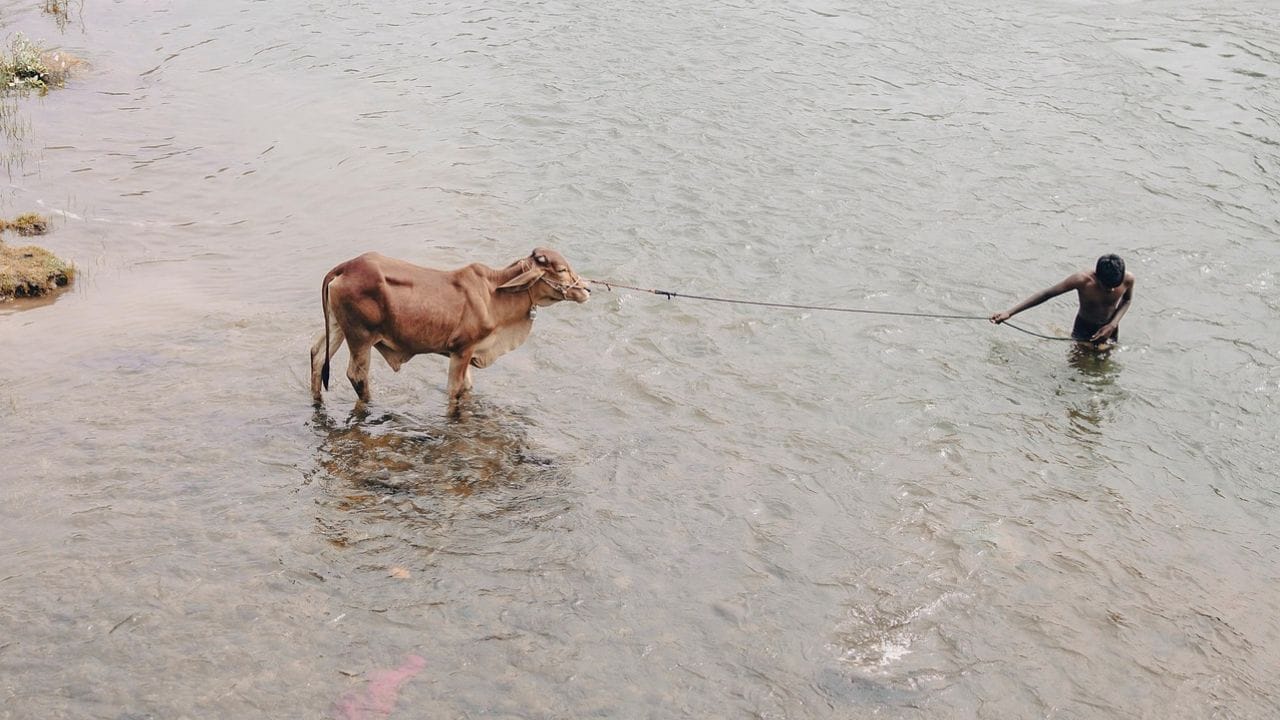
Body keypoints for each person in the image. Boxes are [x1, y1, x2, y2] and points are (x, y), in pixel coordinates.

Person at [989, 254, 1134, 345]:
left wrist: (1113, 325)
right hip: (1084, 327)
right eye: (1106, 287)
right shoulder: (1082, 280)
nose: (1111, 290)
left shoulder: (1128, 279)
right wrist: (1009, 313)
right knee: (1078, 368)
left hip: (1110, 328)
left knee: (1104, 369)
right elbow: (1046, 294)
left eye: (1115, 286)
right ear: (1097, 277)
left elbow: (1126, 301)